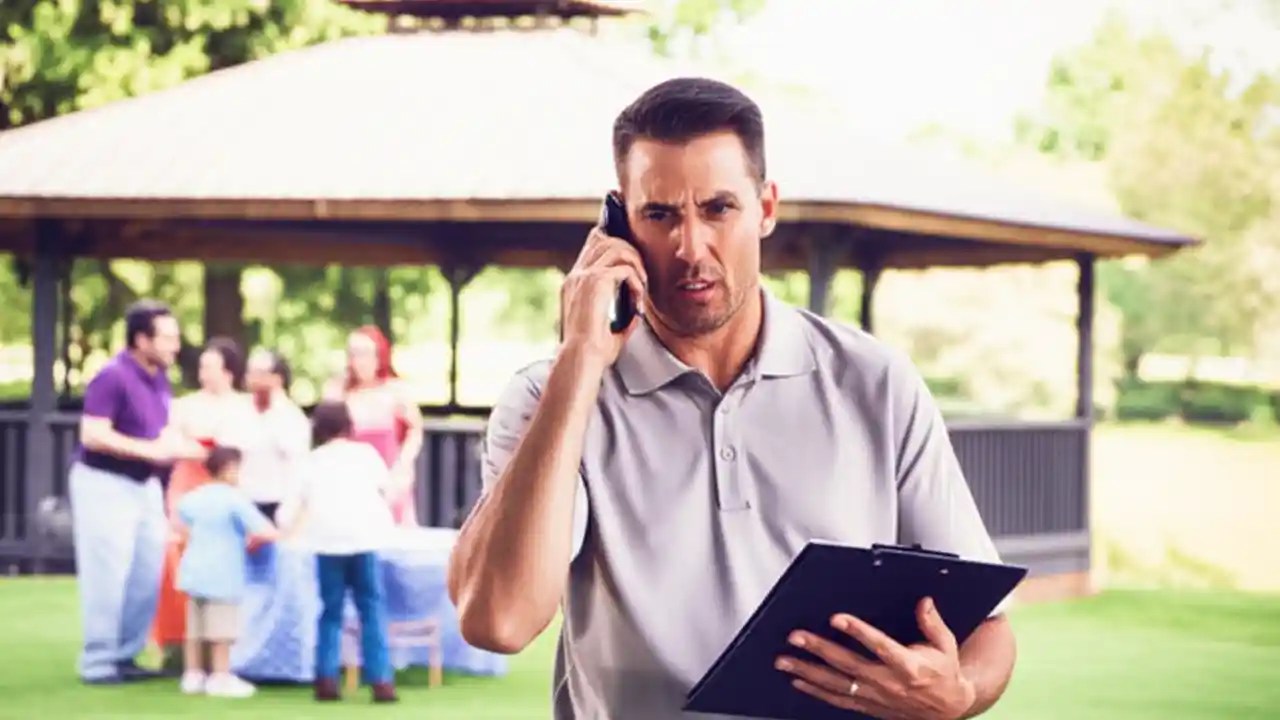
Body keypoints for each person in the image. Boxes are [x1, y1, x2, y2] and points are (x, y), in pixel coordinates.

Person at [446, 78, 1018, 720]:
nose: (691, 248)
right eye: (659, 215)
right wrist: (579, 360)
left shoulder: (875, 383)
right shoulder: (547, 397)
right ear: (616, 223)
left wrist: (957, 692)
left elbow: (987, 627)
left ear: (765, 207)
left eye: (718, 209)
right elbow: (499, 620)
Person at [70, 299, 205, 684]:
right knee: (107, 573)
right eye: (168, 338)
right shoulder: (112, 376)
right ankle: (98, 662)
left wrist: (198, 451)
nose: (175, 345)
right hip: (104, 483)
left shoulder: (159, 379)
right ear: (141, 339)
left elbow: (163, 433)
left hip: (144, 485)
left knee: (147, 571)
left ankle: (126, 655)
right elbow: (92, 433)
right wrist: (152, 451)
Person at [276, 401, 399, 703]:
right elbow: (387, 489)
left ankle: (326, 679)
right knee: (371, 609)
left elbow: (290, 508)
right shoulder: (366, 455)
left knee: (330, 612)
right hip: (364, 539)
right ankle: (381, 680)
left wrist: (287, 530)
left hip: (326, 541)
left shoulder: (312, 461)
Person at [154, 336, 255, 662]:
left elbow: (242, 448)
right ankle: (178, 643)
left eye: (211, 367)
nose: (204, 373)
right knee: (181, 555)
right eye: (202, 366)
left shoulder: (243, 406)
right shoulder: (185, 405)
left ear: (228, 372)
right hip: (187, 483)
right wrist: (203, 451)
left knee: (222, 559)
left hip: (226, 486)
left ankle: (224, 648)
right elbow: (169, 441)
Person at [174, 445, 279, 698]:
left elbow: (182, 525)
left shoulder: (193, 497)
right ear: (229, 469)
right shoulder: (234, 499)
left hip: (194, 571)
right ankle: (220, 676)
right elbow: (263, 529)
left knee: (195, 628)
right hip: (222, 573)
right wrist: (284, 534)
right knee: (222, 629)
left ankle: (193, 674)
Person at [322, 326, 423, 526]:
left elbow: (415, 429)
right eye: (353, 354)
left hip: (389, 471)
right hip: (350, 474)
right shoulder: (340, 392)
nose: (358, 361)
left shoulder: (395, 391)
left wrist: (403, 465)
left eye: (365, 354)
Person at [233, 348, 310, 521]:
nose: (253, 379)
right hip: (244, 501)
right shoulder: (238, 411)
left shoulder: (292, 417)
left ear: (277, 378)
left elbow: (298, 466)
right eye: (250, 372)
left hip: (278, 504)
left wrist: (290, 509)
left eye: (260, 373)